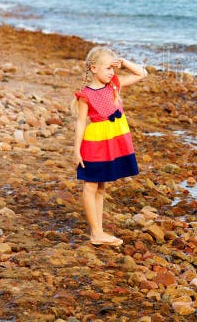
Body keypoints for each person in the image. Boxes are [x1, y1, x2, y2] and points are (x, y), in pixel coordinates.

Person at [72, 46, 148, 246]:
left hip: (112, 142)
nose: (111, 72)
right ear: (94, 68)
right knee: (90, 185)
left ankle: (99, 231)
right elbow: (81, 123)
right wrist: (76, 150)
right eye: (107, 68)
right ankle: (96, 233)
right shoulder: (85, 95)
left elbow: (142, 73)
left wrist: (123, 62)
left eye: (113, 68)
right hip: (95, 142)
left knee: (101, 188)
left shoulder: (114, 86)